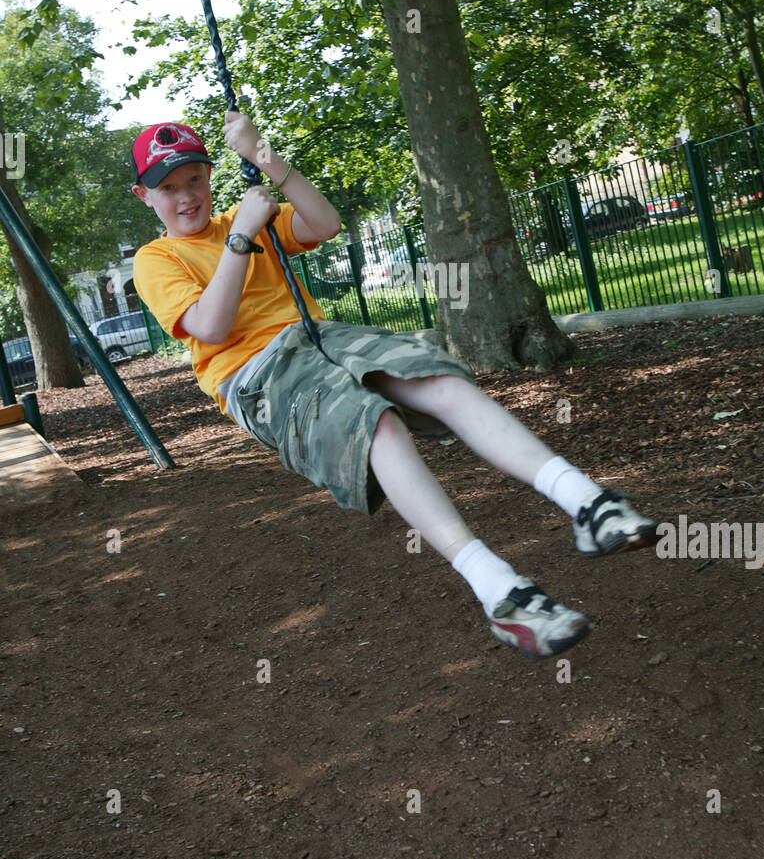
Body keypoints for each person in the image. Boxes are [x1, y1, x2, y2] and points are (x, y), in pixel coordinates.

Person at [131, 114, 658, 661]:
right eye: (168, 188)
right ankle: (500, 591)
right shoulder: (158, 258)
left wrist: (266, 158)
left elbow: (325, 223)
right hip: (257, 375)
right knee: (376, 423)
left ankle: (589, 504)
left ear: (210, 176)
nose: (186, 196)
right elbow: (211, 327)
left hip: (321, 336)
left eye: (194, 179)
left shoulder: (246, 217)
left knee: (438, 375)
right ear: (144, 195)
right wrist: (242, 236)